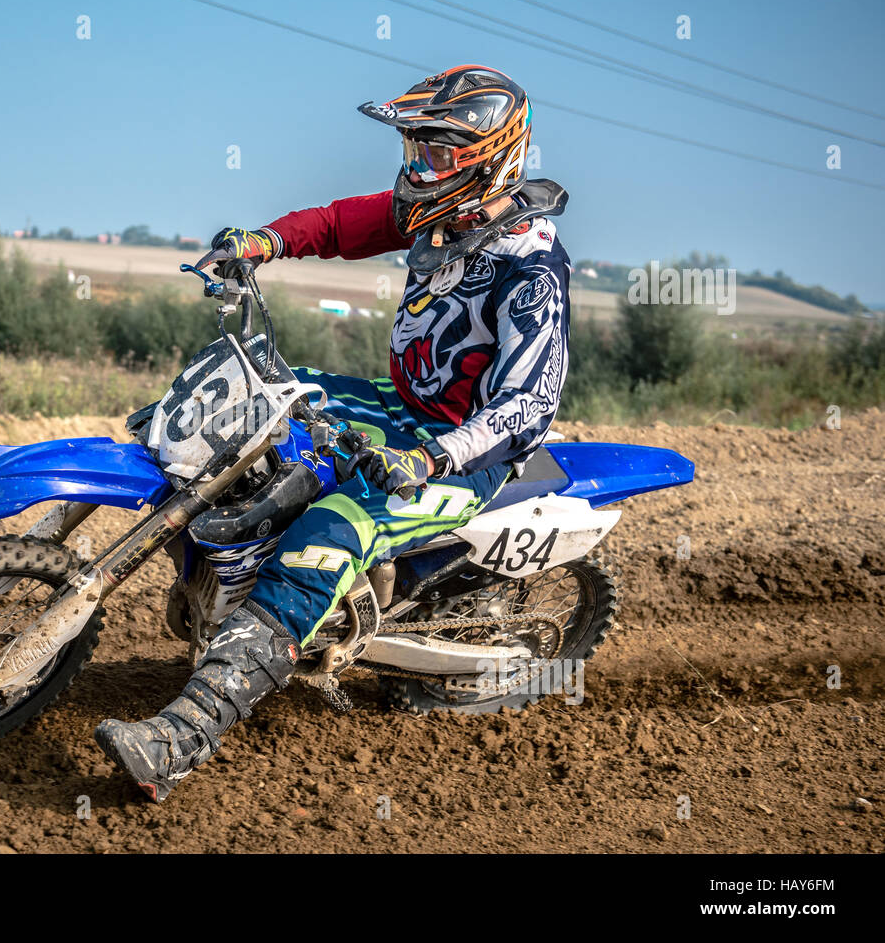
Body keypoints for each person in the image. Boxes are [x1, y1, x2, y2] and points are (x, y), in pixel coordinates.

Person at [95, 65, 573, 802]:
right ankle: (210, 571)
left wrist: (430, 455)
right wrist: (263, 242)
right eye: (414, 147)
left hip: (460, 451)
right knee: (262, 401)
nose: (417, 168)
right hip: (400, 404)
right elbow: (340, 224)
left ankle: (184, 734)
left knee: (329, 528)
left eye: (435, 153)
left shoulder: (530, 267)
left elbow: (527, 405)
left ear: (491, 156)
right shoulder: (440, 209)